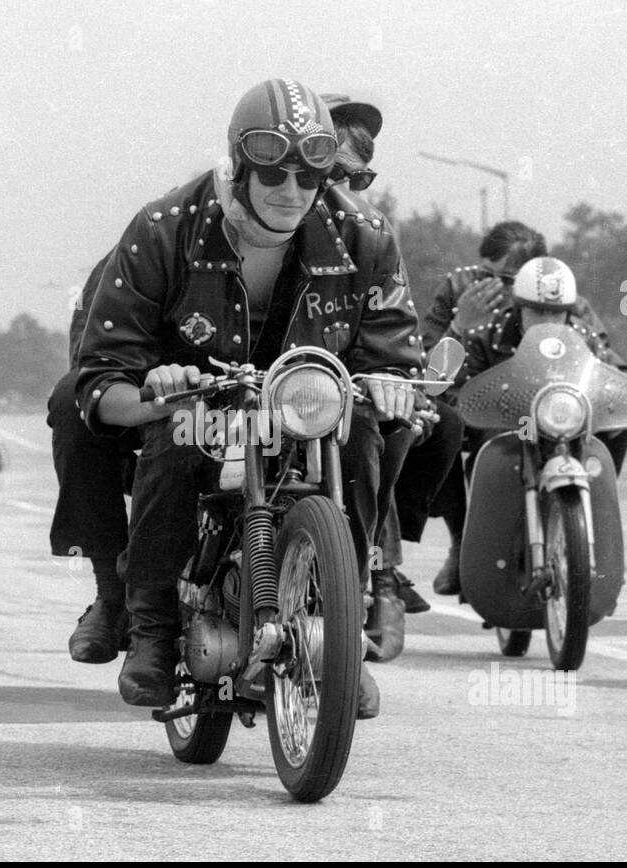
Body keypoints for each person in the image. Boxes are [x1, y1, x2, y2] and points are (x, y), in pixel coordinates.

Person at [74, 79, 422, 718]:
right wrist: (154, 387)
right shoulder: (164, 227)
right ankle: (149, 627)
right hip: (201, 399)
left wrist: (393, 380)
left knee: (380, 429)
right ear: (241, 165)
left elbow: (393, 348)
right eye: (276, 175)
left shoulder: (366, 234)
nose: (293, 193)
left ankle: (348, 615)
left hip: (306, 399)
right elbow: (102, 370)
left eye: (308, 178)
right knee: (178, 433)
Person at [393, 222, 548, 600]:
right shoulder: (457, 288)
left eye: (508, 279)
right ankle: (461, 539)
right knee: (441, 420)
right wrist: (460, 326)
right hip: (470, 397)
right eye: (486, 274)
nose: (492, 287)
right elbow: (424, 369)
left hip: (541, 401)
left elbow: (593, 346)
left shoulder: (552, 291)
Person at [449, 255, 627, 472]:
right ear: (519, 310)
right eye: (537, 311)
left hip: (568, 426)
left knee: (620, 427)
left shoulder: (584, 336)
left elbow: (617, 374)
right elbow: (456, 393)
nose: (548, 321)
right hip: (509, 428)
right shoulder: (484, 337)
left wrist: (616, 397)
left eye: (556, 313)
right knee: (483, 434)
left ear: (567, 314)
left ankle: (599, 488)